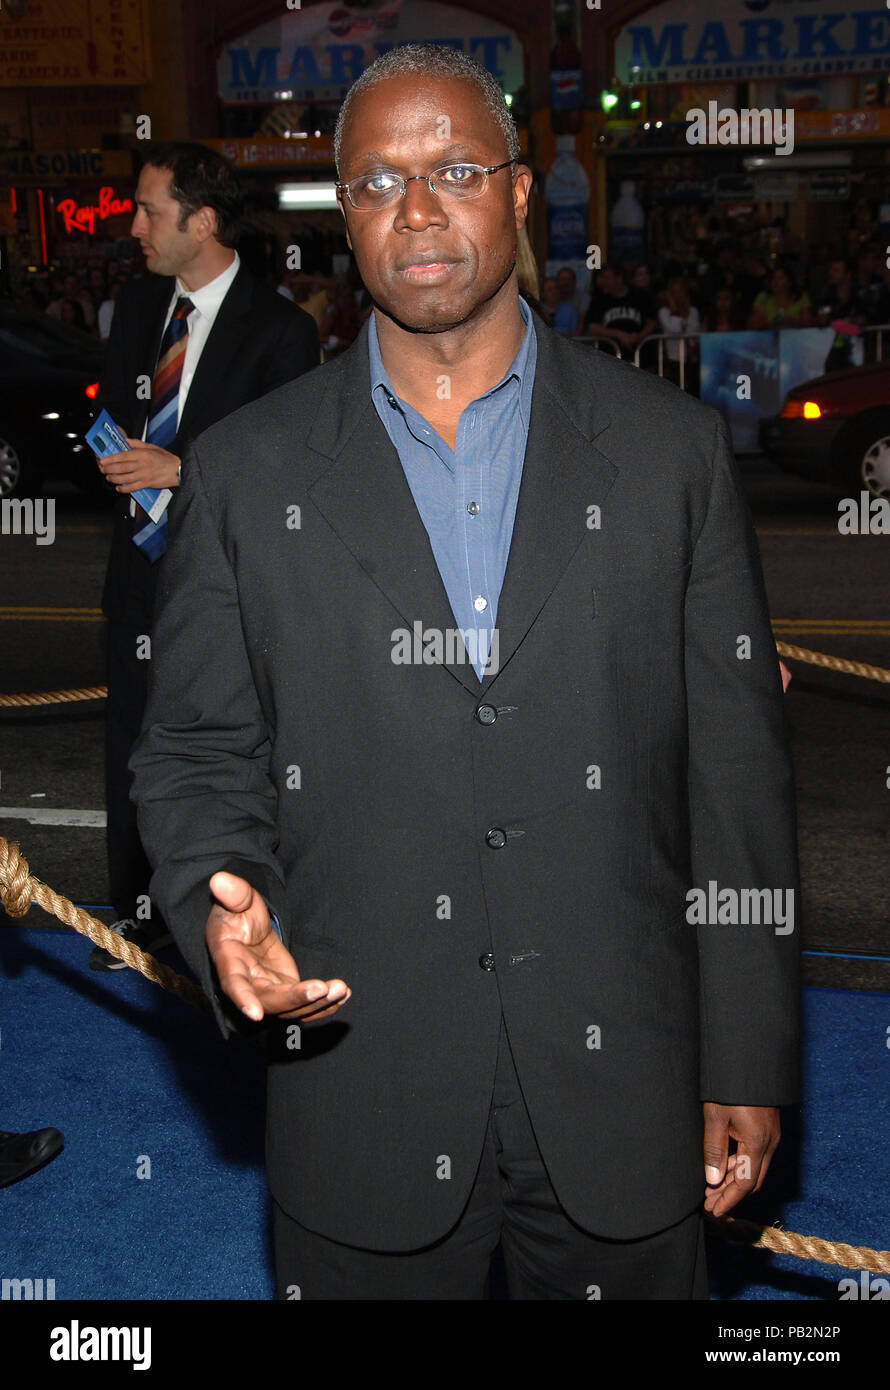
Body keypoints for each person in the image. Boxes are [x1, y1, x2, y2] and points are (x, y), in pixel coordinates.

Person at [130, 45, 800, 1301]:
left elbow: (735, 788)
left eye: (452, 168)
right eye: (377, 182)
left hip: (624, 1091)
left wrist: (746, 1053)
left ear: (514, 188)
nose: (418, 209)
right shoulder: (247, 472)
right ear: (344, 219)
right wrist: (219, 904)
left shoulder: (670, 457)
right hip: (359, 1085)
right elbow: (195, 750)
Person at [88, 141, 319, 971]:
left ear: (204, 220)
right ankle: (133, 921)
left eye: (150, 211)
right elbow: (117, 412)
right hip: (137, 576)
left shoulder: (282, 331)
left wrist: (181, 473)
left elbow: (289, 472)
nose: (134, 226)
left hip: (227, 589)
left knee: (221, 758)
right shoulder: (138, 307)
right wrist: (117, 452)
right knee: (130, 751)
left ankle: (234, 919)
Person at [582, 262, 657, 356]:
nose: (601, 282)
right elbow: (593, 327)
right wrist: (618, 334)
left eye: (606, 278)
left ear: (619, 278)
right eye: (600, 277)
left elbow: (652, 323)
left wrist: (638, 336)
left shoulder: (641, 296)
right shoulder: (599, 299)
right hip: (609, 358)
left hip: (641, 356)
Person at [747, 264, 812, 330]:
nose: (776, 281)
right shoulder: (764, 297)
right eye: (773, 278)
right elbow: (753, 325)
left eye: (780, 278)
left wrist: (791, 321)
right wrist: (771, 324)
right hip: (769, 338)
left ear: (790, 282)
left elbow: (808, 324)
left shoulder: (802, 296)